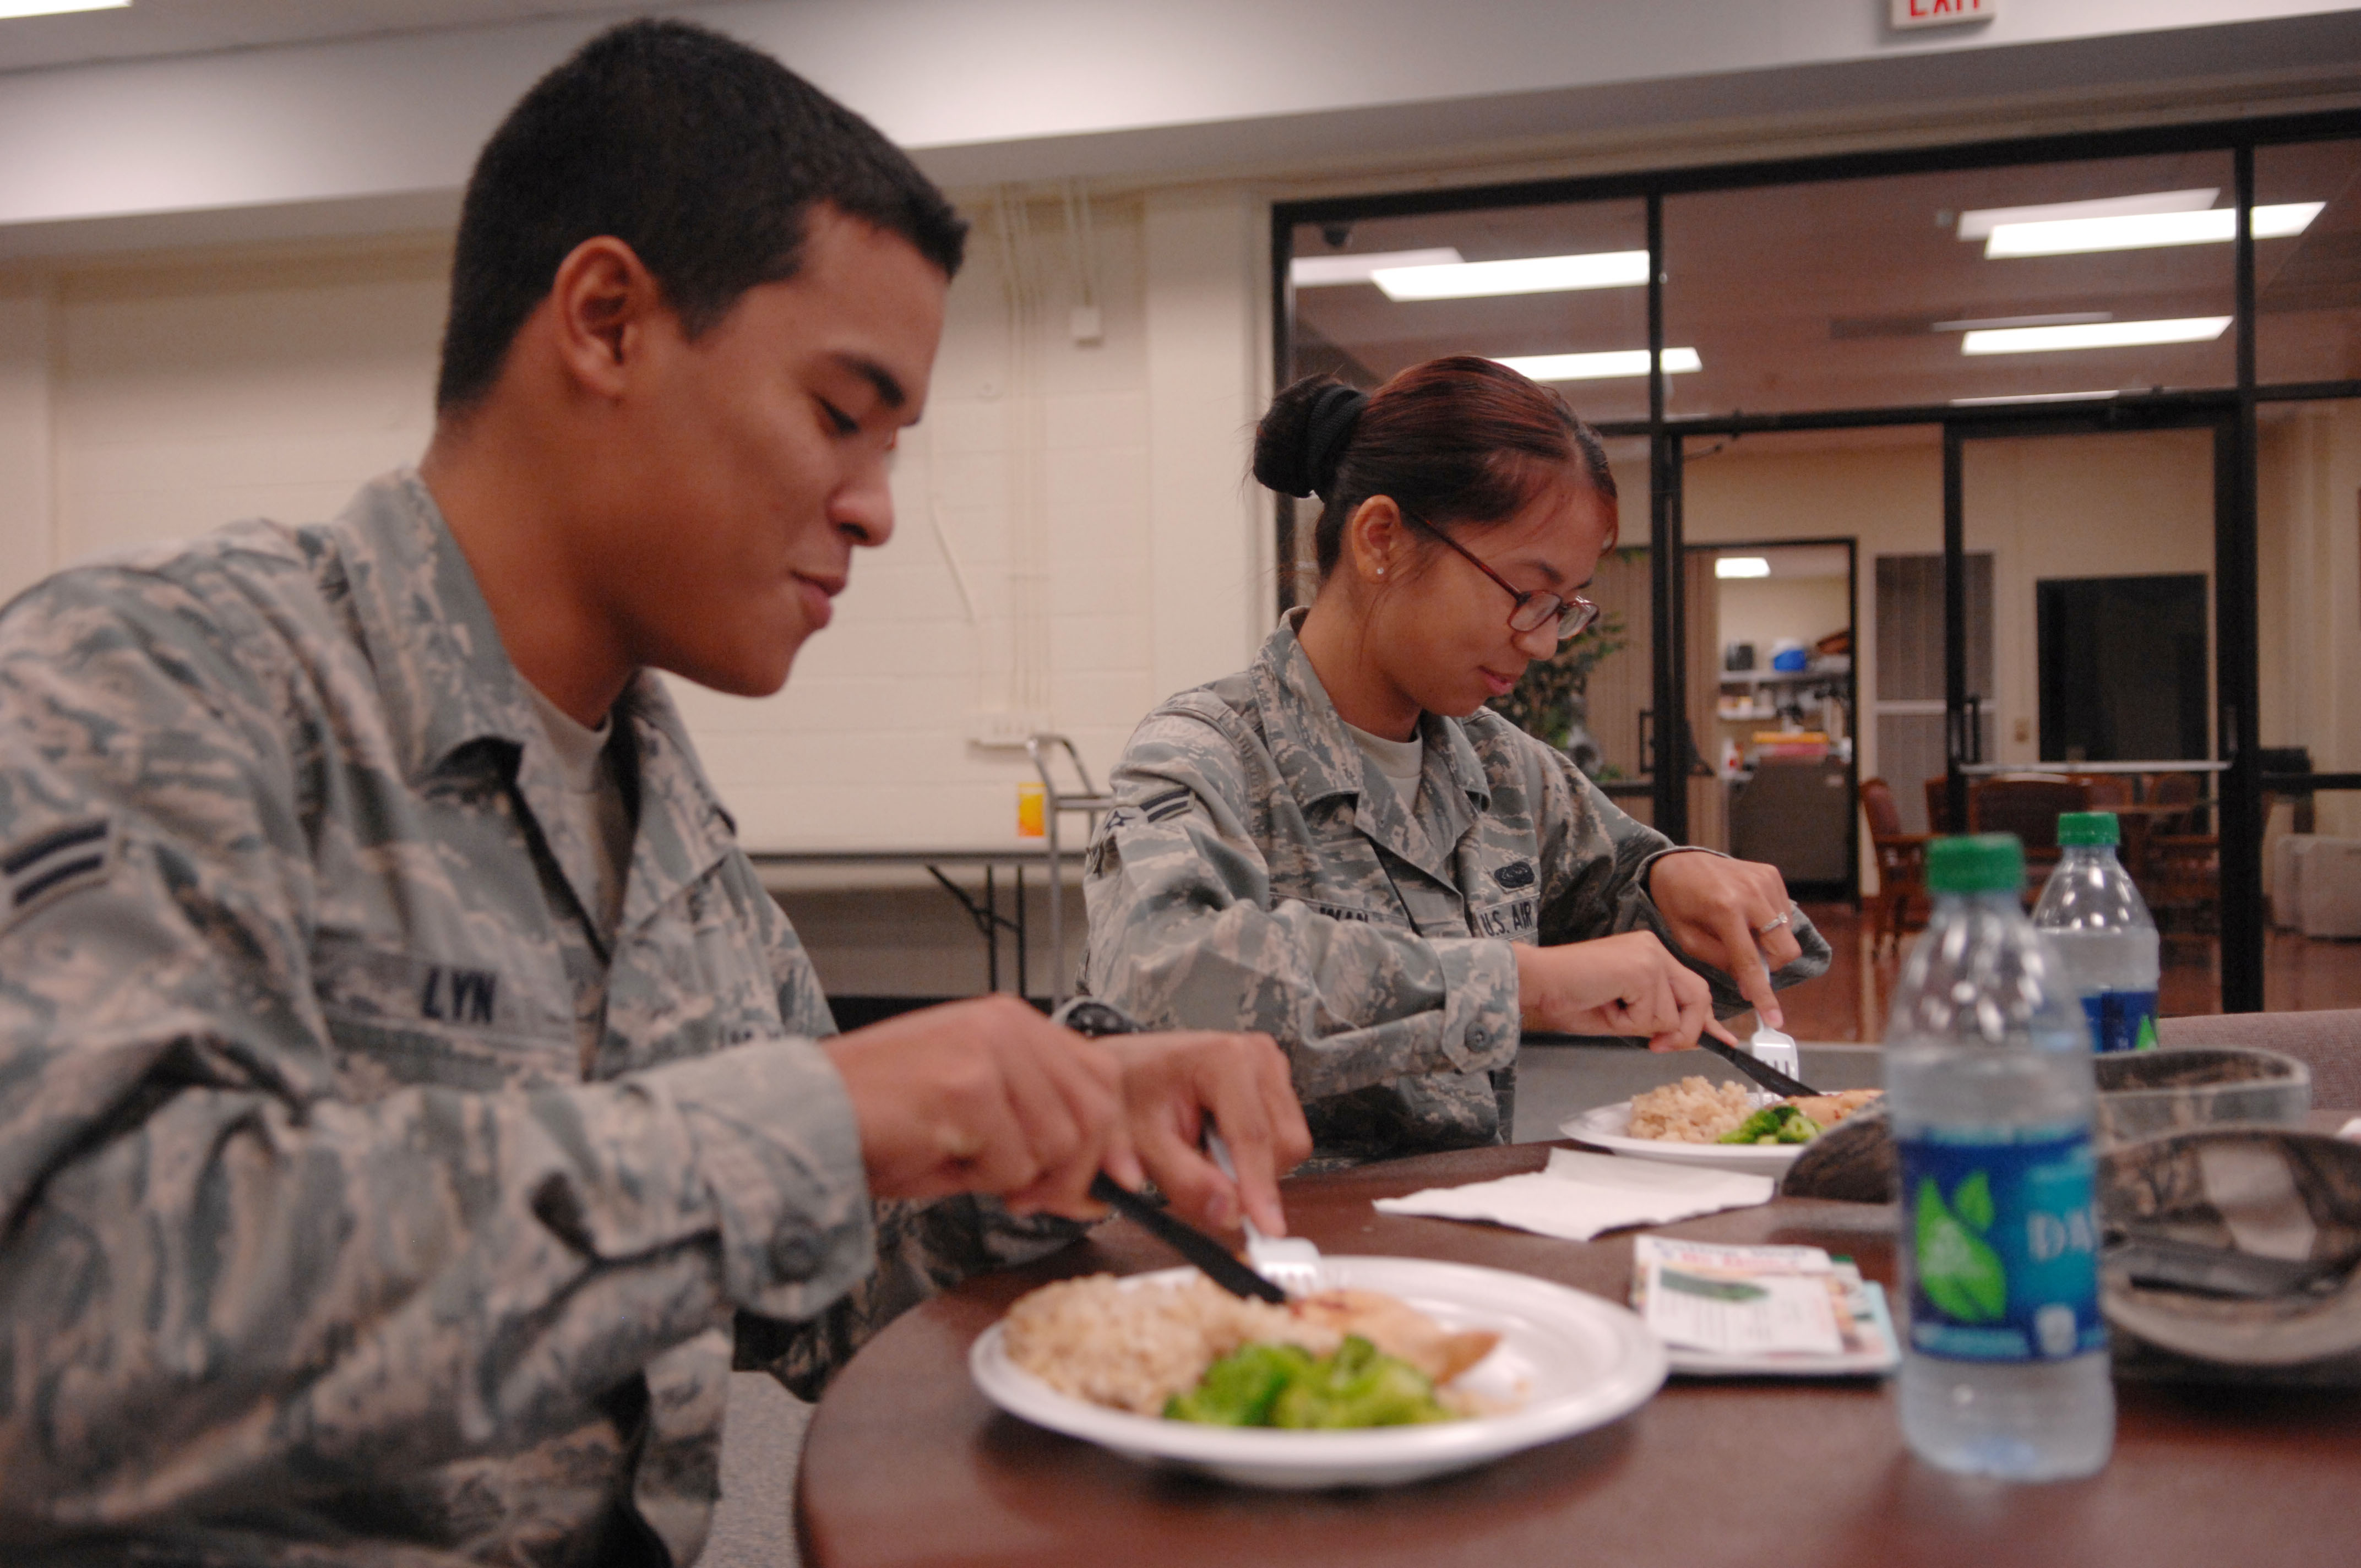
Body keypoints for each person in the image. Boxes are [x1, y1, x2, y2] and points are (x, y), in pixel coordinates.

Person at [0, 21, 1307, 1566]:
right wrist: (818, 1117)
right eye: (840, 414)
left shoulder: (662, 815)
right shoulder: (156, 681)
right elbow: (63, 1333)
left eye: (894, 443)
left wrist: (1052, 1135)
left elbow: (812, 1293)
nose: (878, 511)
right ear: (607, 321)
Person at [1079, 359, 1830, 1165]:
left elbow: (1631, 923)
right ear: (1382, 540)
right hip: (1262, 1259)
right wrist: (1523, 985)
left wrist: (1678, 880)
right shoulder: (1207, 754)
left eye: (1564, 609)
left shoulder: (1502, 768)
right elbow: (1161, 987)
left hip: (1468, 1236)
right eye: (1525, 593)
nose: (1541, 641)